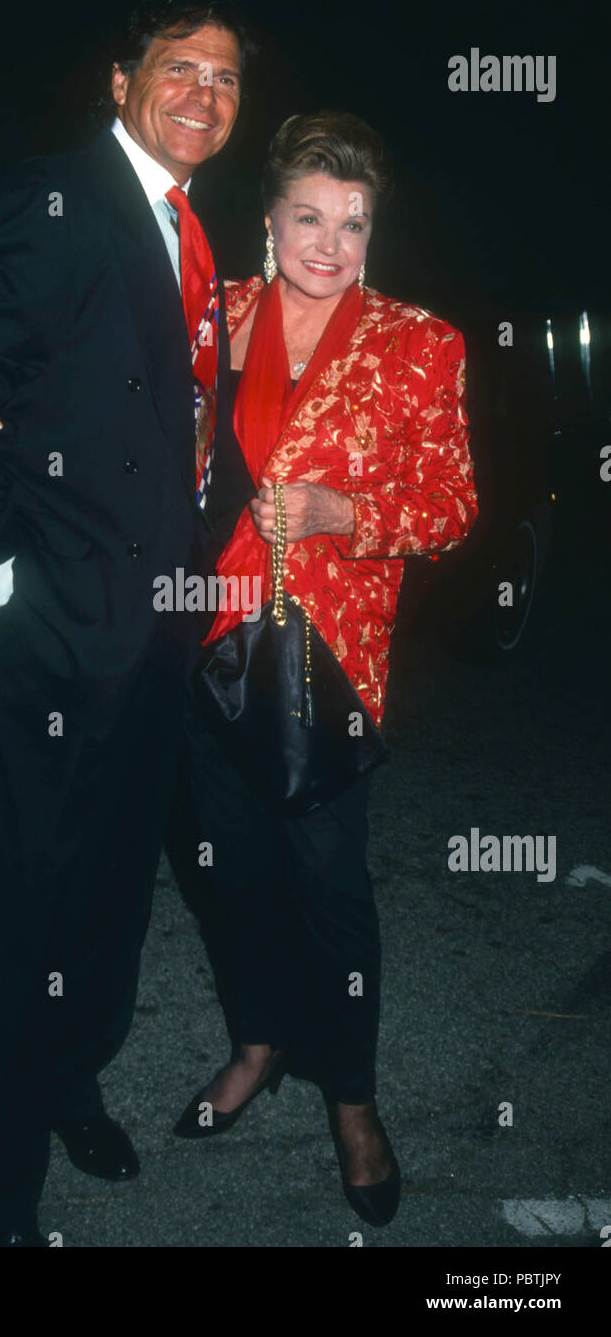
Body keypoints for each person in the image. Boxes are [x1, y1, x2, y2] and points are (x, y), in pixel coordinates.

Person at [0, 0, 251, 1247]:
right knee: (6, 914)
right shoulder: (54, 200)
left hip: (147, 638)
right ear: (122, 80)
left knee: (106, 898)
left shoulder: (185, 233)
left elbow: (176, 431)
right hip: (41, 642)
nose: (203, 93)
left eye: (224, 78)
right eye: (178, 67)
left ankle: (69, 1083)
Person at [174, 111, 479, 1227]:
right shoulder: (216, 318)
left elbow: (451, 509)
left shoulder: (417, 342)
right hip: (206, 640)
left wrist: (341, 510)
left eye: (352, 223)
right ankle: (256, 1044)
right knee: (231, 872)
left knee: (331, 889)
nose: (328, 242)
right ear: (267, 220)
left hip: (323, 666)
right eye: (308, 216)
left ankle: (352, 1099)